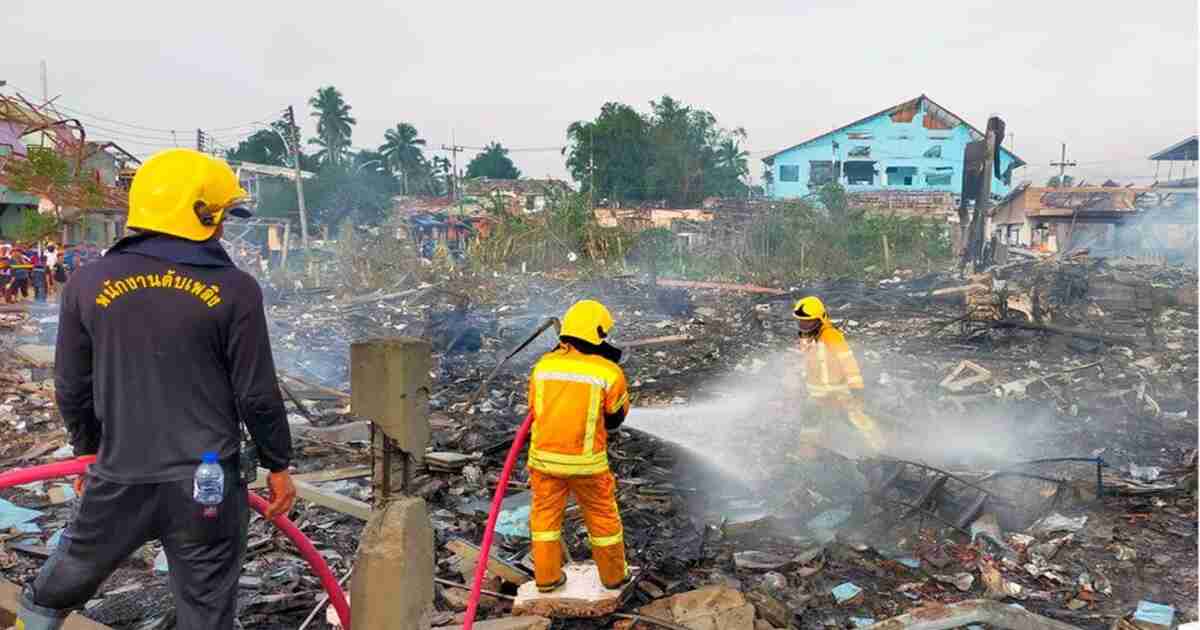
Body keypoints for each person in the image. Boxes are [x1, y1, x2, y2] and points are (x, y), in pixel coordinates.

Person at [18, 148, 297, 630]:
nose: (223, 227)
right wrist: (278, 463)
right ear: (199, 214)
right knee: (206, 612)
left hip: (119, 476)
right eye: (220, 215)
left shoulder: (87, 282)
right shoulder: (236, 289)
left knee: (53, 591)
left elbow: (72, 386)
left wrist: (88, 451)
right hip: (207, 486)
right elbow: (255, 393)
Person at [527, 299, 632, 592]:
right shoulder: (608, 373)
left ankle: (546, 578)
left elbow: (534, 409)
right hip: (587, 466)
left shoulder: (543, 367)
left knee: (544, 520)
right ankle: (613, 576)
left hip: (544, 462)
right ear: (598, 333)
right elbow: (615, 419)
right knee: (602, 518)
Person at [792, 296, 884, 453]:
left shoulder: (831, 335)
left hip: (839, 387)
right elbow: (808, 361)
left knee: (855, 416)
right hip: (817, 389)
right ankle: (807, 450)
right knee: (810, 418)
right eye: (801, 321)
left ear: (820, 318)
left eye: (808, 321)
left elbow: (848, 361)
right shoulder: (806, 337)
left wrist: (856, 387)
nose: (803, 325)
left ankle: (878, 446)